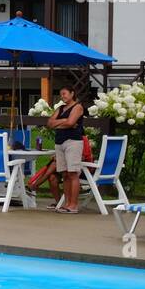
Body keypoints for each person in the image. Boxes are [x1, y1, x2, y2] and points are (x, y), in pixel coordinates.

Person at [46, 86, 85, 214]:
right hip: (59, 142)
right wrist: (63, 120)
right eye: (61, 94)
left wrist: (61, 123)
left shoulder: (78, 107)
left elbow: (71, 122)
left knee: (73, 173)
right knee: (65, 174)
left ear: (72, 93)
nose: (63, 96)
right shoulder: (60, 108)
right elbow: (50, 123)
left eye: (65, 94)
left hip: (72, 142)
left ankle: (73, 205)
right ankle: (67, 203)